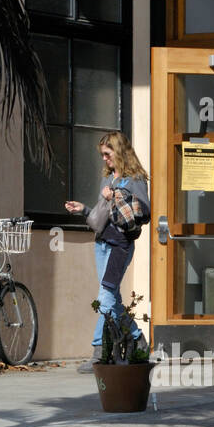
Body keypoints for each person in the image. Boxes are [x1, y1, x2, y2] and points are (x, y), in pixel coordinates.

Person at [64, 131, 150, 373]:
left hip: (119, 245)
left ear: (119, 151)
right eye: (102, 154)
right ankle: (137, 338)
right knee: (112, 298)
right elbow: (102, 218)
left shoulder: (135, 179)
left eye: (107, 154)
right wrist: (84, 209)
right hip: (101, 243)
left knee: (105, 297)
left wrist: (117, 197)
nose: (104, 159)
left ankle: (100, 352)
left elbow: (144, 212)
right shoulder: (107, 179)